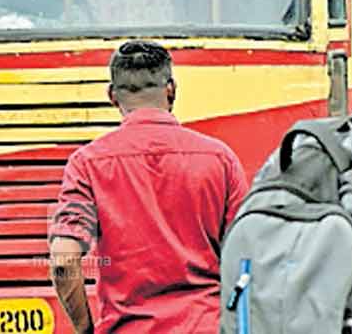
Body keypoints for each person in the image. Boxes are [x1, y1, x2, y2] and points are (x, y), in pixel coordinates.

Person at [49, 41, 249, 333]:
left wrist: (85, 330)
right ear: (171, 90)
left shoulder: (86, 164)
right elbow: (249, 254)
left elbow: (64, 260)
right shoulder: (220, 159)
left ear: (112, 96)